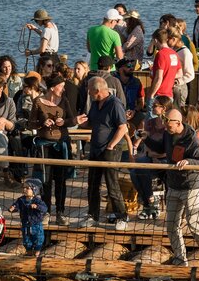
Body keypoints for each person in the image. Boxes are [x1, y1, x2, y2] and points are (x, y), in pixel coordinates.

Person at [163, 108, 199, 267]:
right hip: (173, 186)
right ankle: (180, 258)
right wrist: (145, 139)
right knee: (171, 226)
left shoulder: (192, 138)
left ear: (178, 123)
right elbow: (159, 148)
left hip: (190, 186)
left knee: (193, 224)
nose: (165, 125)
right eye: (164, 121)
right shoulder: (167, 135)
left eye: (168, 122)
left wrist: (188, 162)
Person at [81, 75, 129, 229]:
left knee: (111, 184)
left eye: (89, 90)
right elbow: (91, 122)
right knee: (92, 184)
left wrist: (111, 145)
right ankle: (92, 215)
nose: (88, 93)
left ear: (97, 90)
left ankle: (122, 216)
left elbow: (123, 127)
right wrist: (78, 122)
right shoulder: (95, 104)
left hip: (110, 150)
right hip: (95, 148)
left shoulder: (115, 104)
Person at [28, 77, 76, 224]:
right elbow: (31, 124)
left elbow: (72, 120)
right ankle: (46, 211)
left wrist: (64, 122)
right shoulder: (38, 101)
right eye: (60, 86)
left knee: (61, 180)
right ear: (52, 87)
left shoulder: (64, 101)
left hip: (61, 144)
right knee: (46, 180)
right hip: (44, 145)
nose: (63, 89)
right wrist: (42, 123)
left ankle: (60, 212)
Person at [131, 100, 170, 220]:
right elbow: (147, 144)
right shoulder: (149, 122)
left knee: (145, 168)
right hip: (151, 157)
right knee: (135, 169)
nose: (152, 107)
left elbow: (165, 148)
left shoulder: (169, 125)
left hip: (165, 160)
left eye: (155, 106)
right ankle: (149, 202)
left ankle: (151, 204)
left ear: (163, 108)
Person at [10, 179, 49, 254]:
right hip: (25, 224)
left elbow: (45, 208)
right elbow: (16, 205)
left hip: (36, 224)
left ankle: (37, 252)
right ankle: (29, 252)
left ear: (35, 190)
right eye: (24, 187)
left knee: (38, 239)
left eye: (27, 188)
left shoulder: (38, 200)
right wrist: (13, 208)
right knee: (26, 240)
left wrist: (37, 206)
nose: (24, 189)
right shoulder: (21, 200)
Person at [147, 29, 181, 107]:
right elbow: (180, 73)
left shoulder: (161, 54)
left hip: (159, 94)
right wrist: (168, 75)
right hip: (169, 94)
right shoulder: (174, 53)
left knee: (152, 118)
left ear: (155, 40)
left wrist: (151, 95)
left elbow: (159, 78)